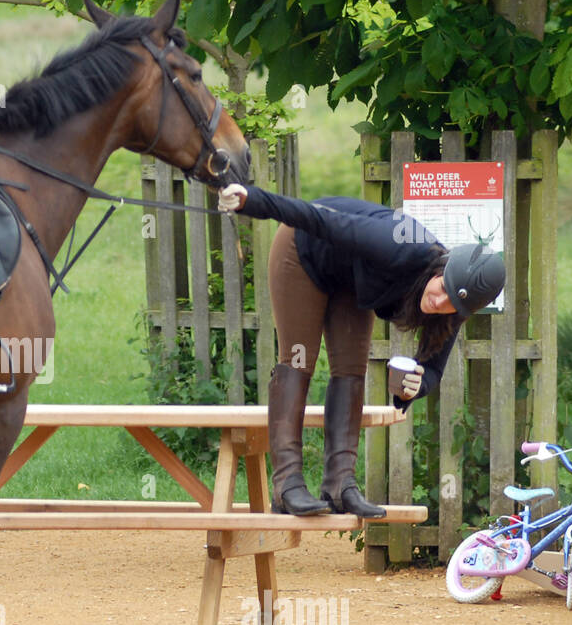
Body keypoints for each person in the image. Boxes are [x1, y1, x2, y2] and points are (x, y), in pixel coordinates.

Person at [216, 181, 506, 518]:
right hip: (304, 248)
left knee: (352, 367)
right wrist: (253, 200)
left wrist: (413, 387)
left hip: (350, 279)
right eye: (442, 289)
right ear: (442, 268)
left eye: (451, 304)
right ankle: (287, 484)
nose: (439, 302)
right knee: (298, 359)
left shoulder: (455, 303)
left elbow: (433, 370)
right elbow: (318, 219)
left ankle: (340, 483)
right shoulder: (398, 245)